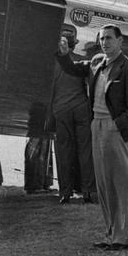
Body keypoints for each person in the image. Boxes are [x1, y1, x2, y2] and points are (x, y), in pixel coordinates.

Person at [56, 25, 128, 250]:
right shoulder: (96, 63)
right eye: (102, 39)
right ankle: (113, 233)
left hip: (114, 129)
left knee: (120, 183)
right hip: (96, 126)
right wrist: (64, 54)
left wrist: (117, 125)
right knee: (103, 184)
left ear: (120, 41)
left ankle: (126, 237)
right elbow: (73, 69)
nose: (105, 42)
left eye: (110, 38)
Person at [51, 35, 94, 204]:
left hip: (61, 109)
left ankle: (65, 192)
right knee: (85, 150)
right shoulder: (81, 61)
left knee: (63, 151)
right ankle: (87, 191)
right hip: (81, 108)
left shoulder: (54, 62)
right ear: (73, 46)